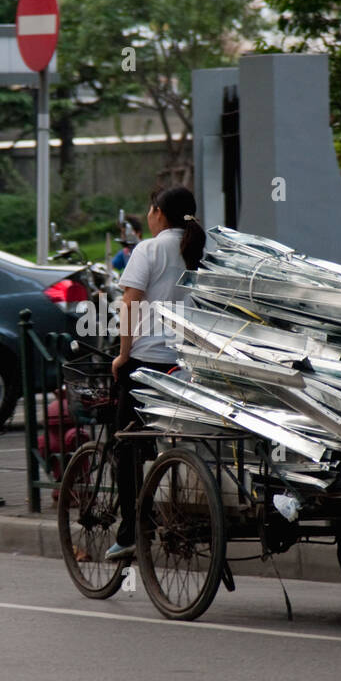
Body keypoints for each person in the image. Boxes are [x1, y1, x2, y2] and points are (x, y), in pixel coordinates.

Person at [105, 186, 206, 560]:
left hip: (148, 363)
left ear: (159, 213)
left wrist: (121, 356)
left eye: (150, 209)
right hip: (195, 366)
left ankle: (132, 529)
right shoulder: (203, 250)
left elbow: (129, 305)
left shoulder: (149, 250)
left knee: (127, 446)